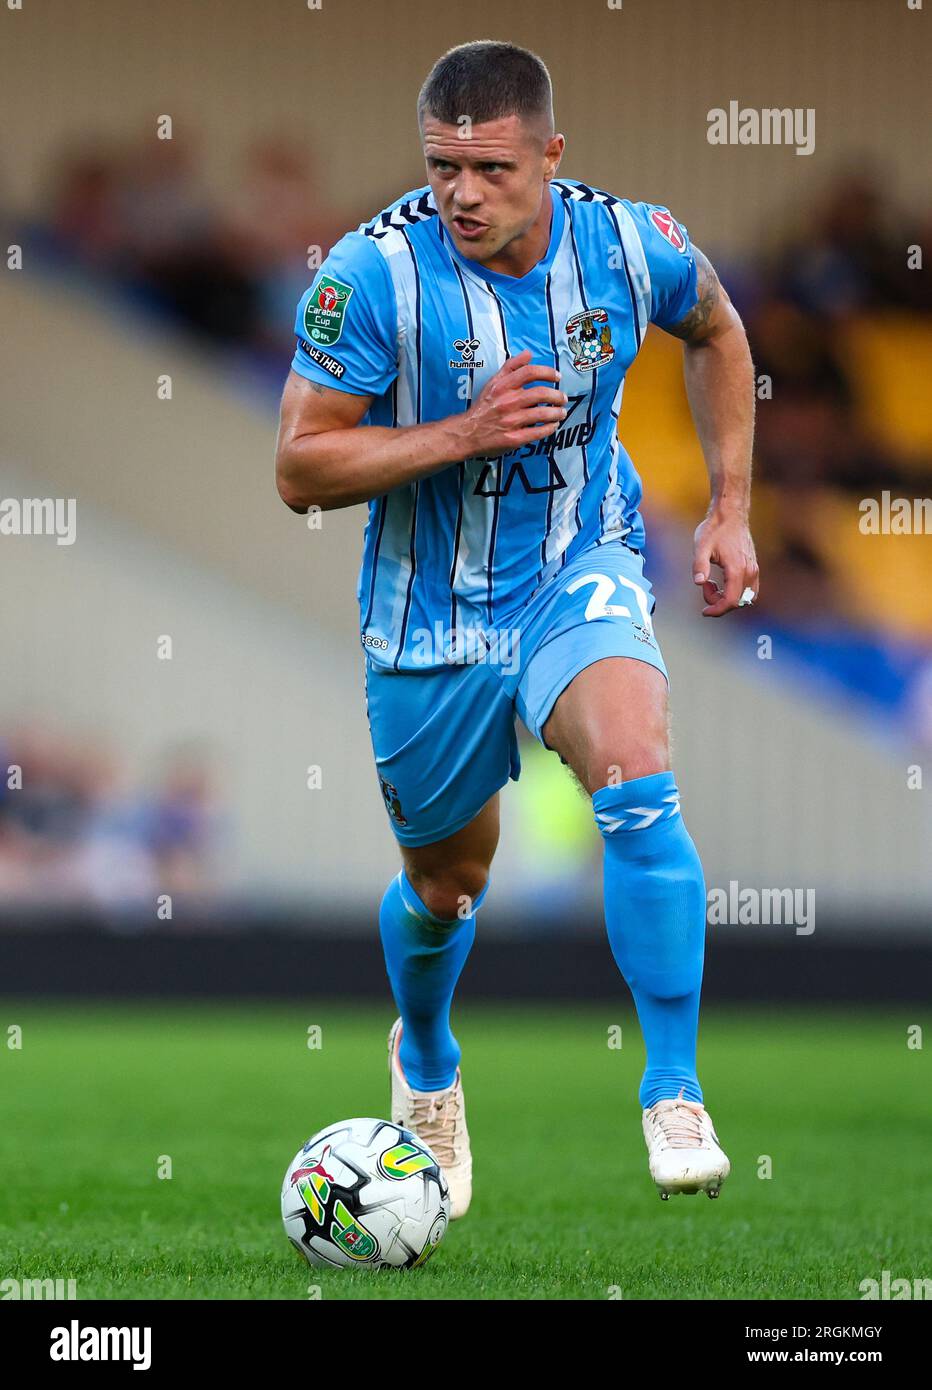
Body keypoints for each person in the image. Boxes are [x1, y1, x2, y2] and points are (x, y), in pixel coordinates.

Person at [275, 41, 759, 1216]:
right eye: (441, 166)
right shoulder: (370, 275)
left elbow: (719, 330)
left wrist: (729, 509)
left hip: (573, 566)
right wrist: (458, 433)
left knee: (637, 775)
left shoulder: (627, 245)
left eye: (489, 168)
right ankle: (426, 1060)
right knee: (447, 884)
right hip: (425, 612)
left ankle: (672, 1087)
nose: (461, 194)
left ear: (550, 154)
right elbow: (299, 465)